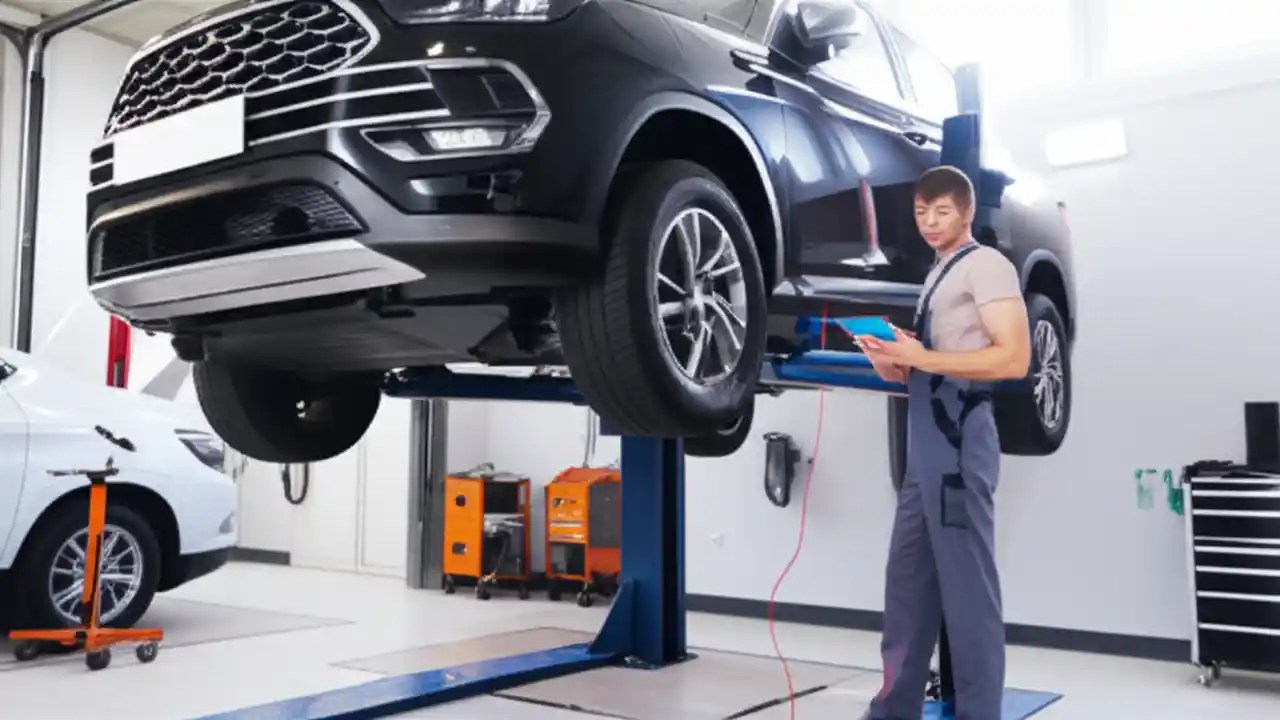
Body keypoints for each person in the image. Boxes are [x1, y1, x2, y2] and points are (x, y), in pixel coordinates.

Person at [855, 166, 1031, 720]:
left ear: (968, 212)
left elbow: (1014, 358)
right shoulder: (938, 273)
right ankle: (893, 710)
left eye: (942, 211)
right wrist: (892, 358)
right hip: (924, 442)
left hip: (959, 439)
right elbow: (926, 367)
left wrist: (922, 357)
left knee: (968, 592)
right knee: (907, 585)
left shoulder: (987, 266)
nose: (930, 222)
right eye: (921, 212)